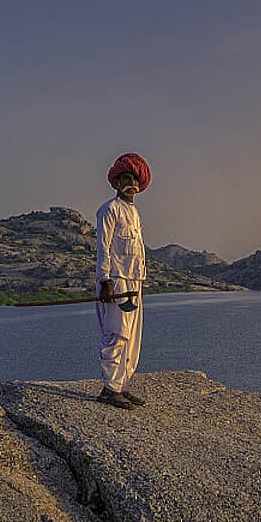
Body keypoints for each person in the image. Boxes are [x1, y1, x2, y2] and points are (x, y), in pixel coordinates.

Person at [95, 152, 151, 410]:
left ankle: (122, 386)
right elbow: (104, 248)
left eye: (134, 179)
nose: (131, 183)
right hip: (116, 281)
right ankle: (110, 389)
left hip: (133, 281)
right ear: (116, 183)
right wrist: (105, 281)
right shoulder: (109, 210)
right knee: (116, 334)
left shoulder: (134, 212)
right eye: (125, 178)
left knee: (132, 338)